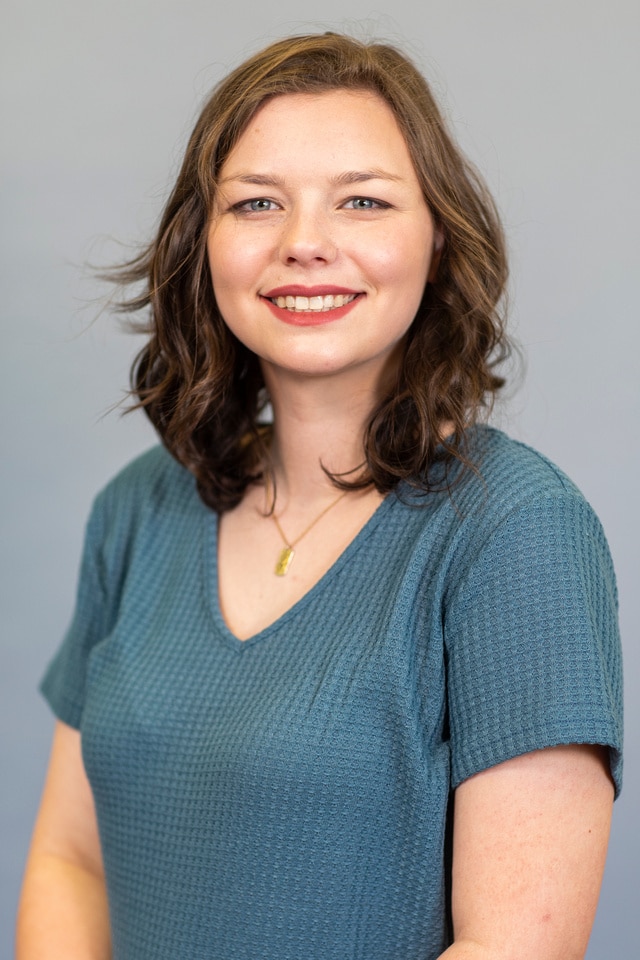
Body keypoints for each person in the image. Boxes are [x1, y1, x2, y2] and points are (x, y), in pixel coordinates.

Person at [17, 32, 622, 960]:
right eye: (257, 202)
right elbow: (71, 861)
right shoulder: (137, 509)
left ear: (437, 240)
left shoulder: (519, 532)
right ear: (201, 244)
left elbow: (516, 945)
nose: (304, 243)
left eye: (364, 202)